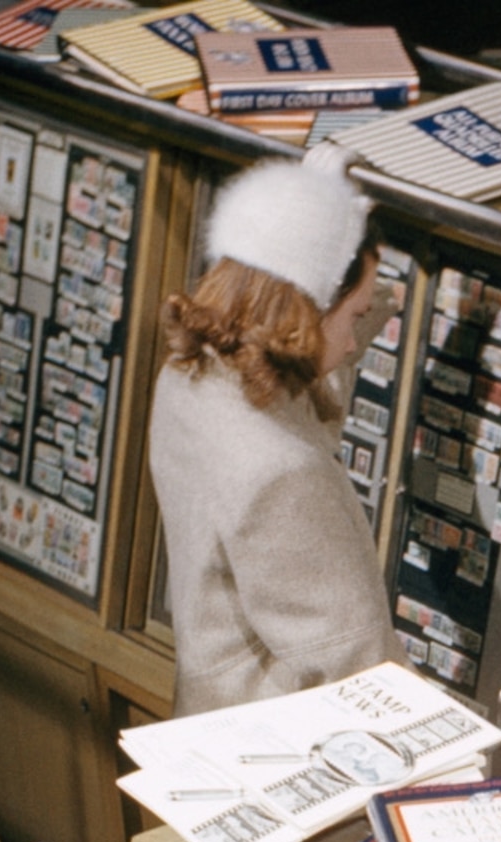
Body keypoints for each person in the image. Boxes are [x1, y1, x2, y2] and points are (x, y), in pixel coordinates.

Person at [148, 146, 399, 715]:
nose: (355, 343)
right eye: (355, 318)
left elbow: (319, 349)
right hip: (288, 748)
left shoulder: (191, 378)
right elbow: (361, 670)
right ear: (304, 317)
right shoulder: (284, 471)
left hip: (211, 711)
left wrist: (316, 217)